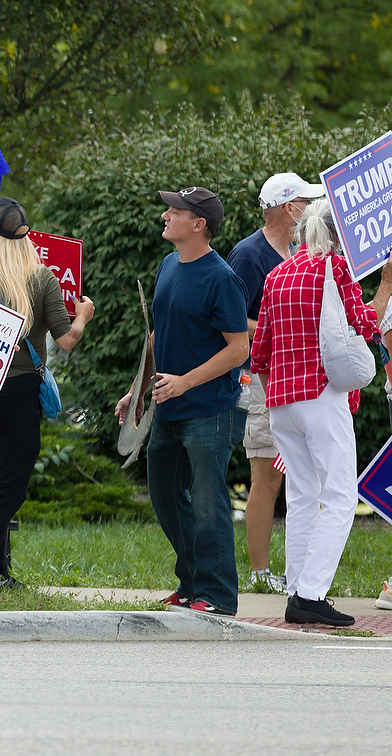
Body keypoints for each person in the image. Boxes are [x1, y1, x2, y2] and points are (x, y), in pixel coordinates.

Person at [249, 199, 392, 627]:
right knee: (341, 495)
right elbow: (367, 325)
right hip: (321, 395)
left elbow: (258, 355)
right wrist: (385, 285)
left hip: (280, 401)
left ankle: (298, 590)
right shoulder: (334, 269)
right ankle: (310, 593)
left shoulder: (276, 275)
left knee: (303, 496)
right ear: (338, 236)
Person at [116, 187, 248, 616]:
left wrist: (185, 383)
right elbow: (159, 335)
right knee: (164, 495)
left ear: (199, 224)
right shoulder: (168, 266)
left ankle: (219, 595)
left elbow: (238, 349)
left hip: (208, 409)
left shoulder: (222, 278)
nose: (164, 215)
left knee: (209, 501)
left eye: (175, 211)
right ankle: (192, 582)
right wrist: (136, 393)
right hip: (166, 405)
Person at [0, 197, 95, 592]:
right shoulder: (40, 278)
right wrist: (84, 314)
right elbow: (66, 339)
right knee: (11, 490)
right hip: (16, 391)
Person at [225, 172, 325, 592]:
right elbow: (229, 318)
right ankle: (260, 573)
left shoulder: (301, 249)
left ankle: (295, 570)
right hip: (263, 379)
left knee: (301, 475)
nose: (313, 208)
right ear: (289, 208)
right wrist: (284, 323)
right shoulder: (248, 255)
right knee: (266, 474)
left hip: (299, 377)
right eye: (306, 200)